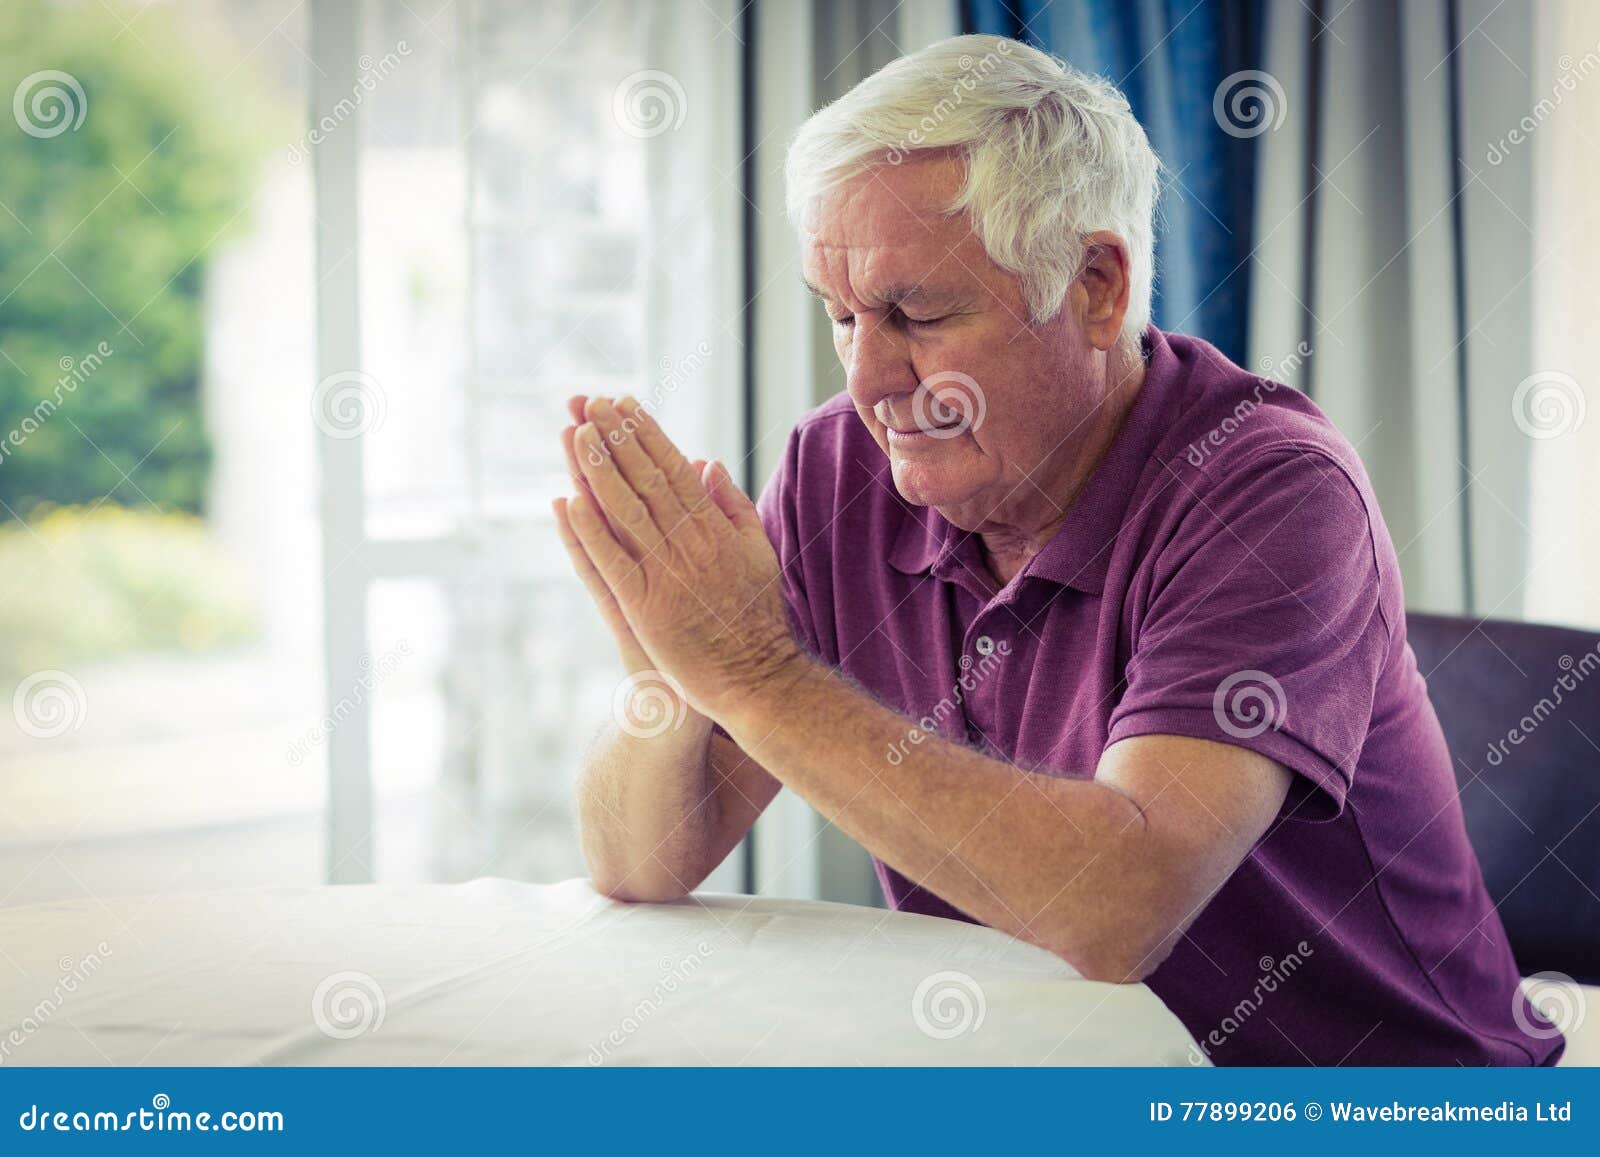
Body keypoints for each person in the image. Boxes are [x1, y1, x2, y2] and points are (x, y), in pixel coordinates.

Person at [553, 35, 1560, 1066]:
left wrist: (752, 671)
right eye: (841, 315)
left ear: (1094, 286)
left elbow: (1119, 910)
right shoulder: (835, 467)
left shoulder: (1273, 490)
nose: (867, 375)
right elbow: (639, 860)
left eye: (918, 312)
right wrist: (671, 665)